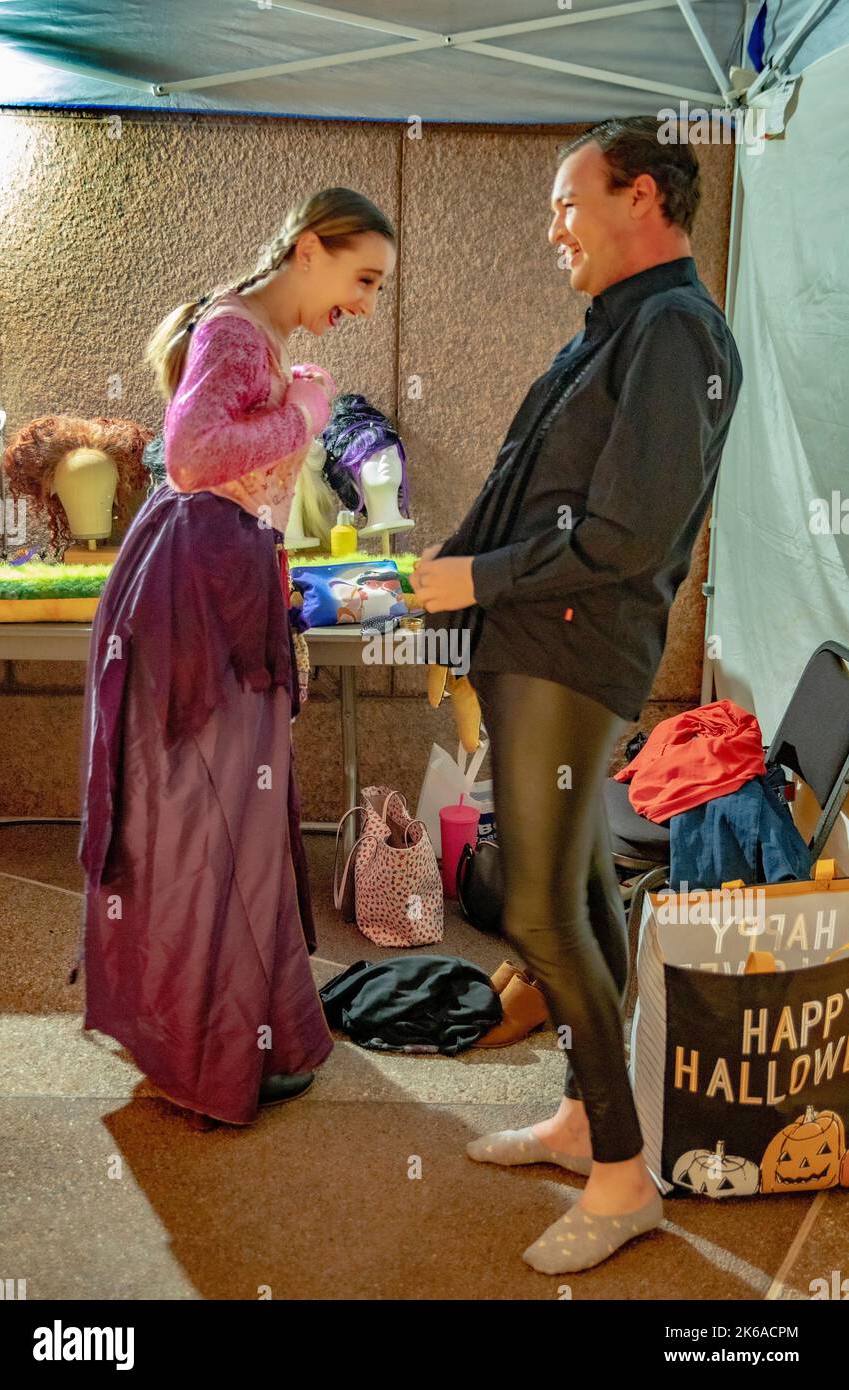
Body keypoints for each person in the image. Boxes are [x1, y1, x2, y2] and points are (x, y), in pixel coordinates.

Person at [411, 117, 743, 1272]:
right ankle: (578, 1117)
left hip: (572, 649)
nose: (551, 224)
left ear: (641, 197)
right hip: (529, 642)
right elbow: (522, 491)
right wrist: (435, 577)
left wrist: (472, 578)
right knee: (581, 887)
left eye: (567, 200)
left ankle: (619, 1175)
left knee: (539, 909)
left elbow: (622, 532)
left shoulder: (674, 331)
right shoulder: (612, 330)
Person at [74, 187, 397, 1128]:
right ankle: (205, 1053)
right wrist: (301, 416)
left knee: (222, 818)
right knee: (209, 820)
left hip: (213, 576)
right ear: (309, 249)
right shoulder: (243, 332)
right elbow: (187, 454)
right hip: (195, 586)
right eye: (362, 278)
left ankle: (230, 1039)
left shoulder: (252, 330)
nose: (367, 305)